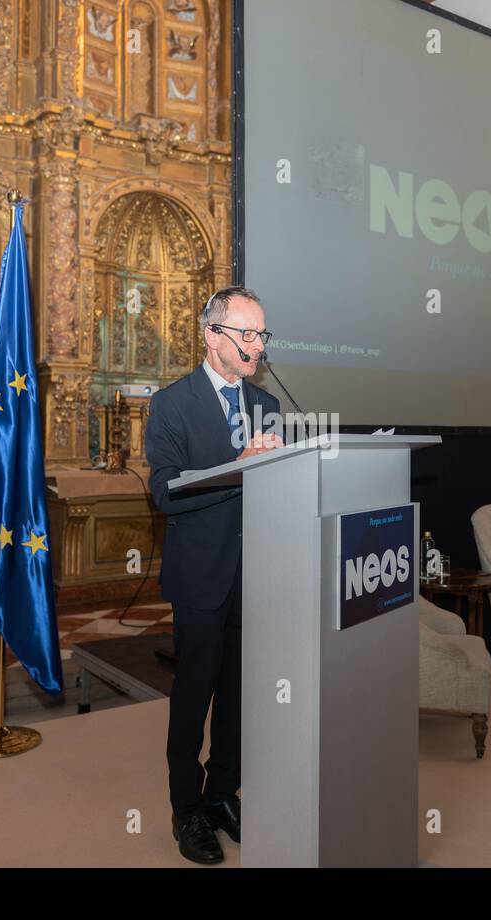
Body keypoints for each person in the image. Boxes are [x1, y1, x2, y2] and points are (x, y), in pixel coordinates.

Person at [144, 286, 284, 864]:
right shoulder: (172, 404)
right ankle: (187, 811)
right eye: (245, 334)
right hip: (201, 578)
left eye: (261, 335)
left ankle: (224, 794)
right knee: (195, 694)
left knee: (240, 695)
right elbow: (166, 492)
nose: (255, 346)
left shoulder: (269, 407)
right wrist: (236, 469)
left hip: (257, 576)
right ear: (211, 335)